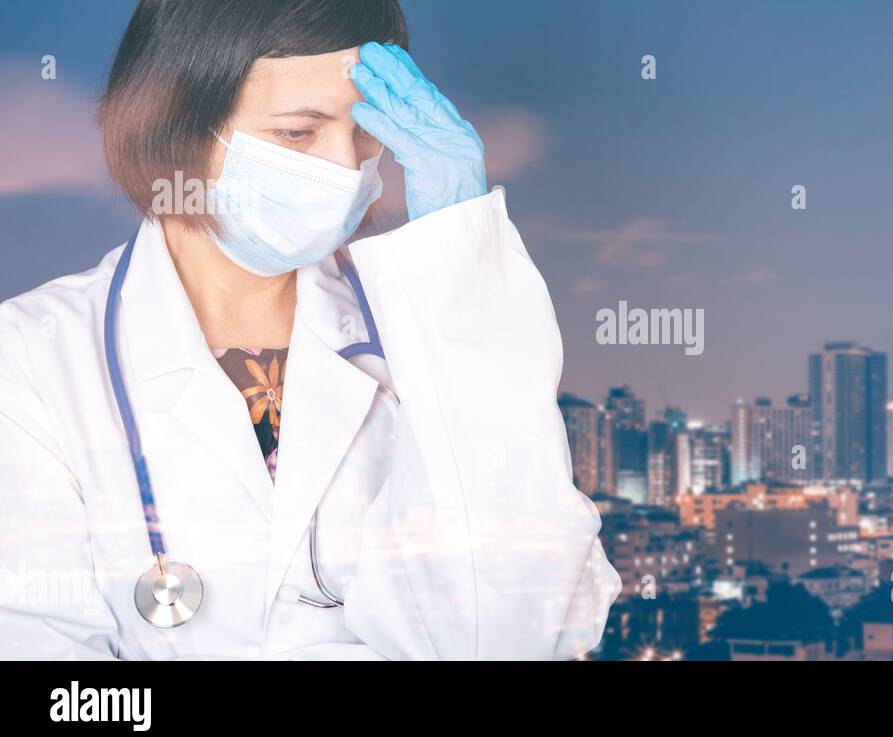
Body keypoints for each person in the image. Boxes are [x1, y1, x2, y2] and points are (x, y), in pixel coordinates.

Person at [0, 0, 620, 659]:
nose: (345, 167)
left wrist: (463, 282)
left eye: (365, 131)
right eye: (298, 134)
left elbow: (524, 633)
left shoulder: (433, 327)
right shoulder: (33, 358)